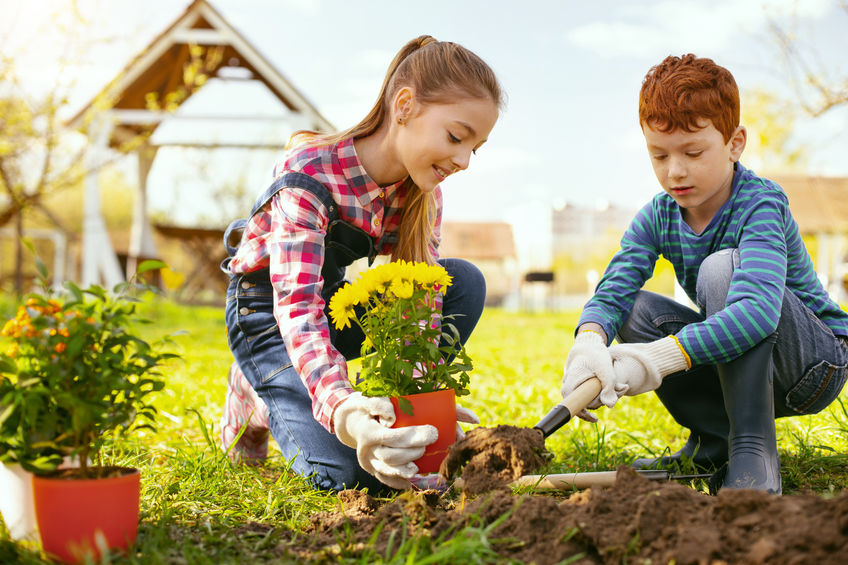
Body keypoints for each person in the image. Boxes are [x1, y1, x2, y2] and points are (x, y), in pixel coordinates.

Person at [218, 35, 503, 494]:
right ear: (405, 105)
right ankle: (256, 386)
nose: (465, 160)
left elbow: (421, 307)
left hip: (330, 307)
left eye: (477, 147)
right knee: (351, 476)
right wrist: (347, 413)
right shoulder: (309, 174)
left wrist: (415, 411)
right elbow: (298, 311)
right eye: (456, 137)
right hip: (268, 318)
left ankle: (363, 410)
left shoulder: (424, 194)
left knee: (461, 282)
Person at [560, 54, 848, 495]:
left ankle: (754, 450)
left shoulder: (761, 204)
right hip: (740, 364)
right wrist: (589, 339)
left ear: (734, 144)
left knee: (721, 270)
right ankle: (715, 439)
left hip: (811, 365)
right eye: (659, 154)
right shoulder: (658, 216)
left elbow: (755, 314)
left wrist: (655, 359)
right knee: (635, 309)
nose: (675, 170)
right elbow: (615, 287)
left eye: (693, 152)